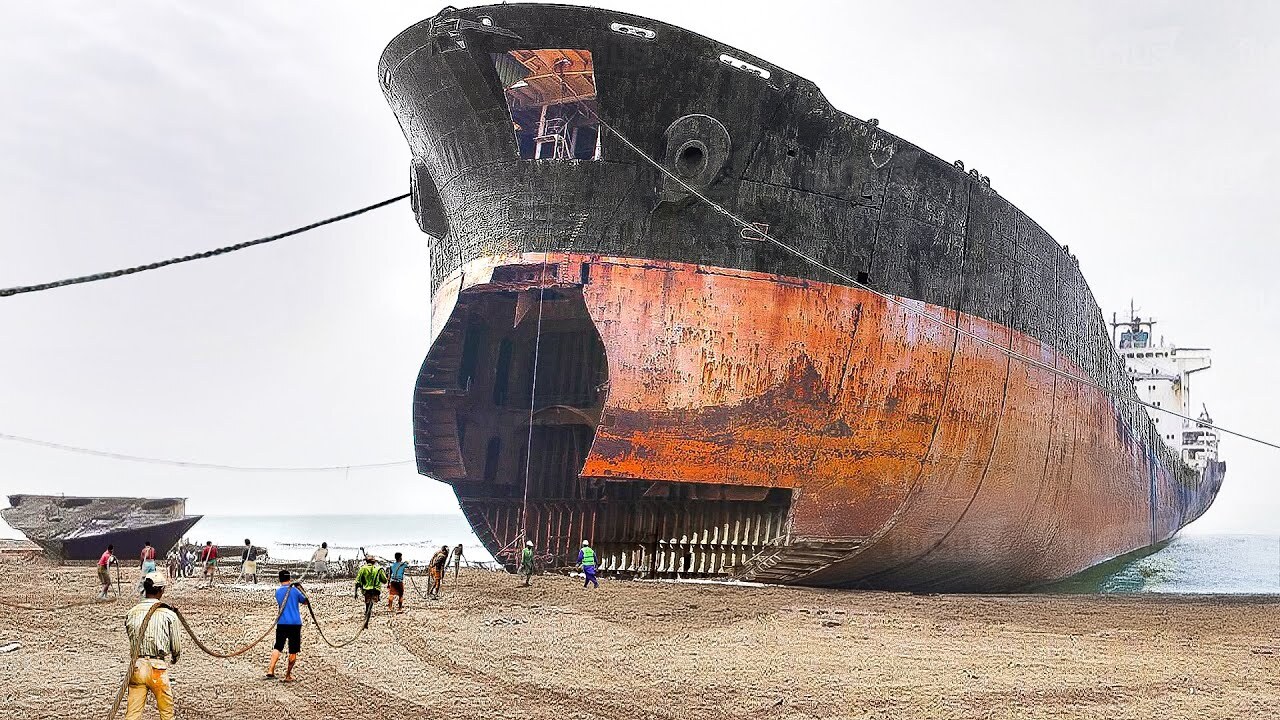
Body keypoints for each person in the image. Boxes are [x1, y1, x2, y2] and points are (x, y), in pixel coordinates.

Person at [124, 577, 181, 720]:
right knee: (167, 713)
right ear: (161, 590)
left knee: (132, 714)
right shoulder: (169, 614)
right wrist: (175, 657)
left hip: (137, 667)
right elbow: (176, 646)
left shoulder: (132, 612)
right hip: (157, 668)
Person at [266, 569, 308, 682]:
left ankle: (271, 670)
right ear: (289, 578)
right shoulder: (294, 591)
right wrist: (300, 589)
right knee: (293, 650)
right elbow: (305, 601)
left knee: (278, 646)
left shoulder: (278, 592)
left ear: (279, 579)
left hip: (282, 623)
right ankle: (288, 675)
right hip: (295, 623)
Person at [354, 555, 387, 628]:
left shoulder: (362, 569)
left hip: (366, 591)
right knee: (370, 605)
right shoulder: (379, 569)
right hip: (375, 590)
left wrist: (355, 593)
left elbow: (357, 581)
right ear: (374, 562)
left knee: (368, 604)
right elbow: (384, 581)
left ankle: (366, 618)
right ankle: (366, 619)